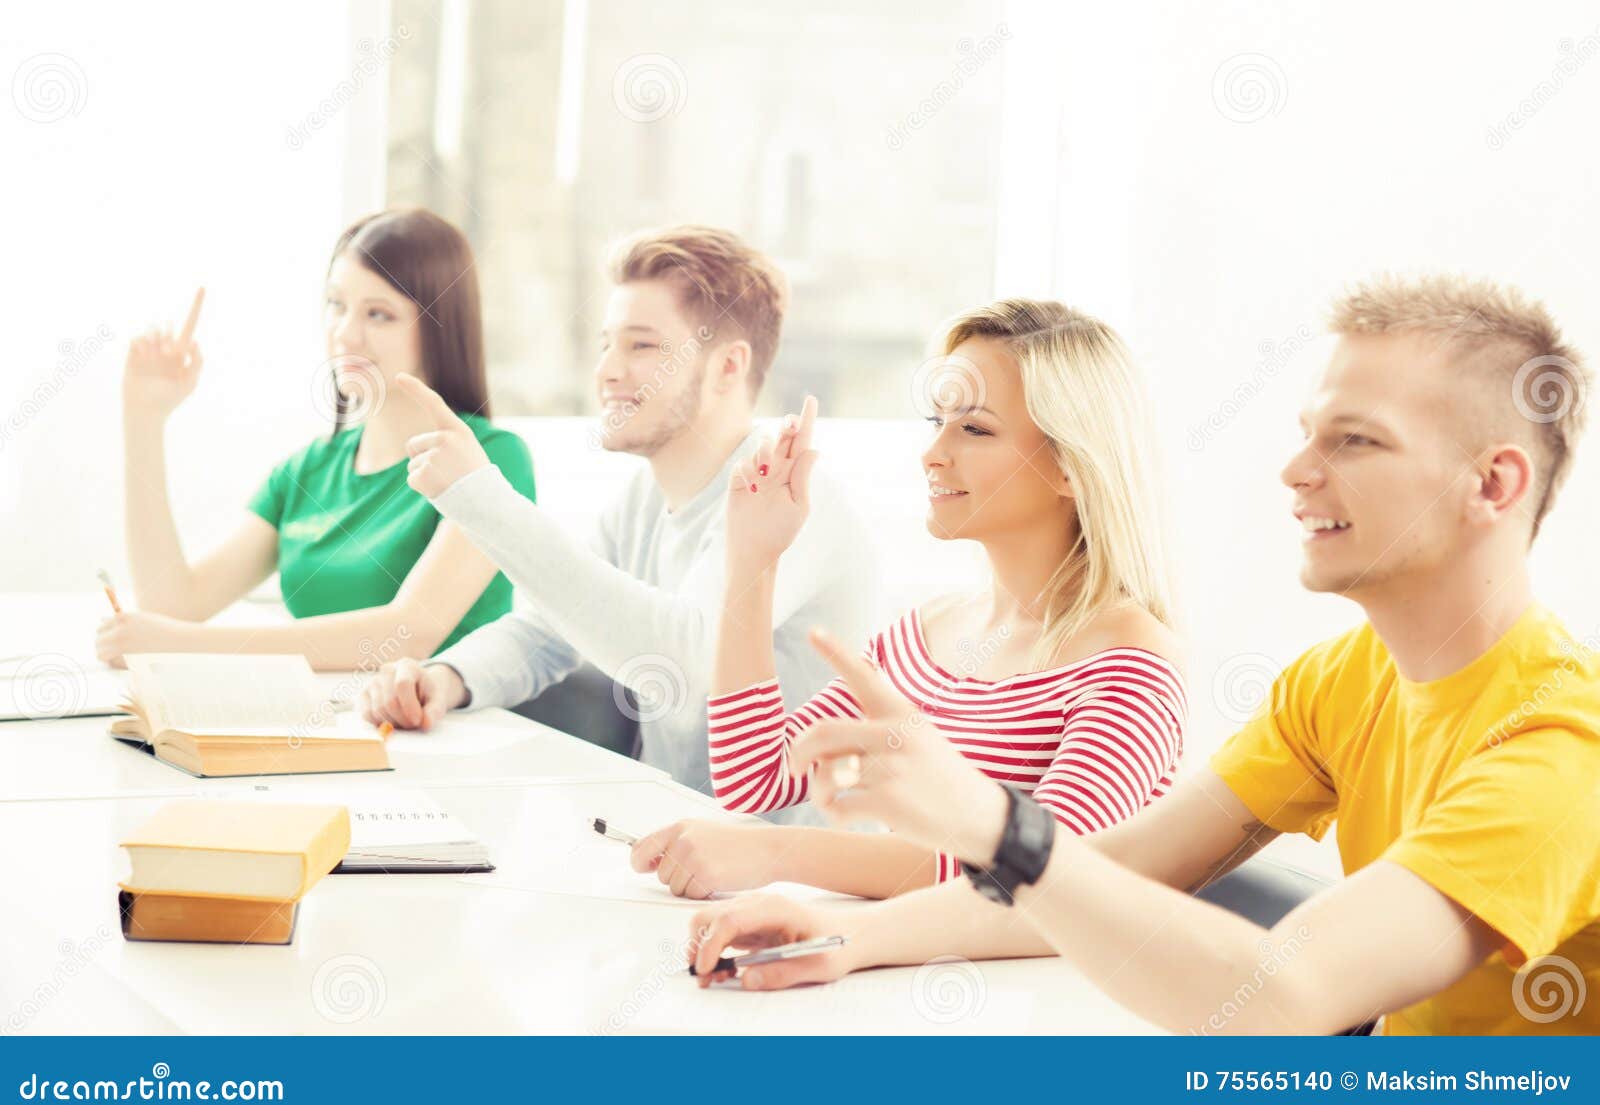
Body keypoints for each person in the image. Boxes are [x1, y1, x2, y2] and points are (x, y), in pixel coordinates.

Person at [684, 275, 1600, 1037]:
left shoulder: (1564, 749)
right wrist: (852, 939)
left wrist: (988, 825)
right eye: (1307, 432)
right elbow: (1116, 866)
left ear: (1493, 482)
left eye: (1353, 440)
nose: (1295, 471)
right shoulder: (1341, 681)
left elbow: (1286, 997)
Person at [630, 299, 1187, 899]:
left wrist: (779, 851)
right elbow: (760, 781)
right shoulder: (926, 638)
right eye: (938, 423)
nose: (933, 453)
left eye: (975, 428)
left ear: (1071, 467)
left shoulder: (1132, 669)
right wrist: (753, 560)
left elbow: (1035, 879)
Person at [360, 226, 875, 810]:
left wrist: (484, 501)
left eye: (641, 346)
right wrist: (445, 679)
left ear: (728, 366)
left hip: (792, 877)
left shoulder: (794, 501)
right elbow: (548, 631)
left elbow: (688, 659)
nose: (606, 370)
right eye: (606, 343)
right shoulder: (644, 499)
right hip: (677, 839)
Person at [98, 208, 535, 670]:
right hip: (327, 725)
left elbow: (406, 634)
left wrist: (183, 646)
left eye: (379, 314)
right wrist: (143, 416)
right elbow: (172, 606)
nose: (346, 333)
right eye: (336, 304)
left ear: (439, 327)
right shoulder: (306, 472)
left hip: (452, 734)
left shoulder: (489, 459)